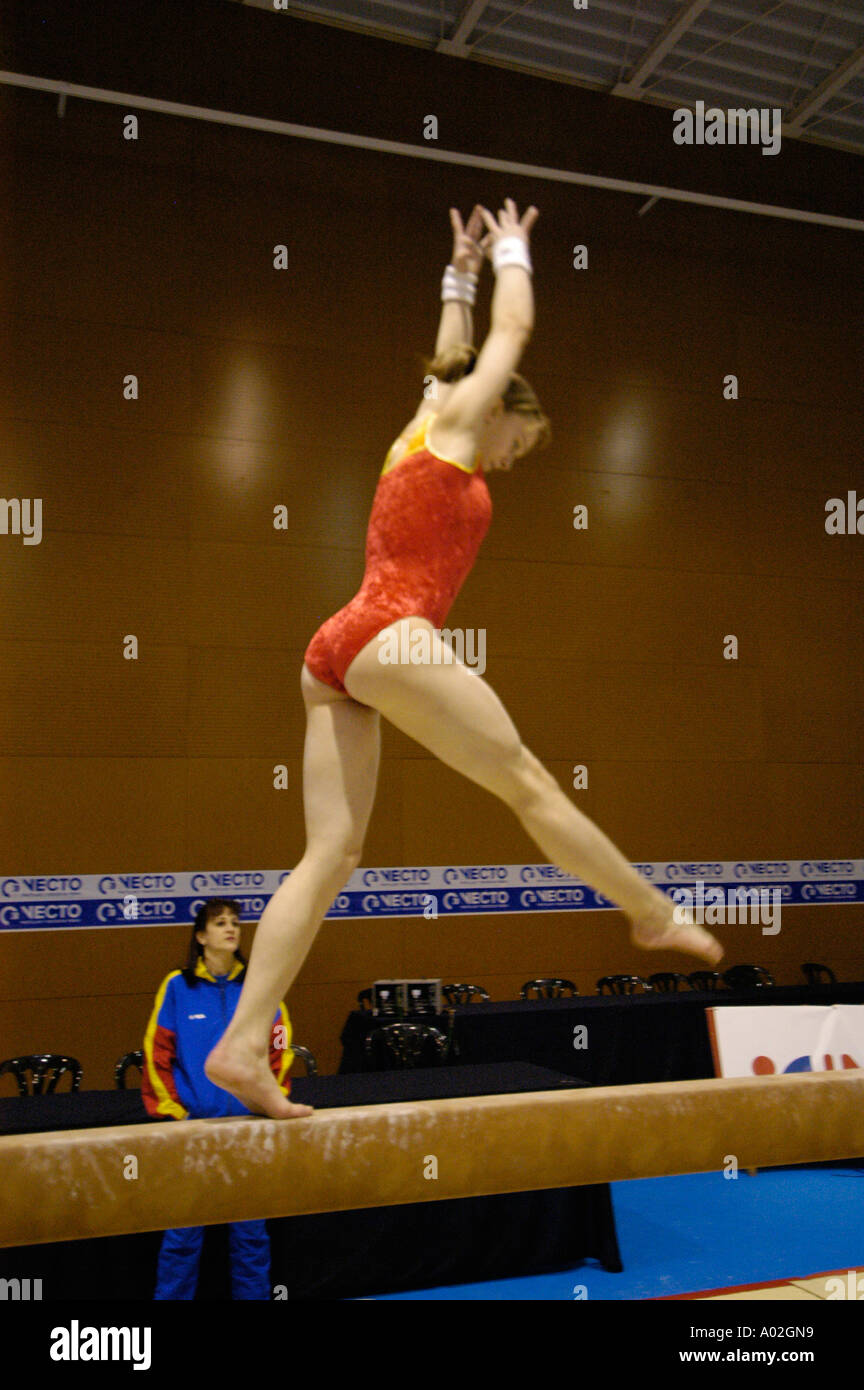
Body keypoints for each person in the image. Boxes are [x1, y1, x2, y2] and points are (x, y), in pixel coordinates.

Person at [206, 198, 723, 1119]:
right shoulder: (459, 427)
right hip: (391, 632)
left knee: (332, 851)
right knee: (527, 780)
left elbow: (450, 356)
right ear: (500, 413)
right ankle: (647, 910)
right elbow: (508, 335)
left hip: (335, 648)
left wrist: (460, 272)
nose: (514, 460)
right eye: (519, 442)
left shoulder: (424, 420)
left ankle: (243, 1047)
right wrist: (517, 250)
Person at [142, 897, 297, 1296]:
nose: (231, 929)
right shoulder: (176, 987)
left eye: (235, 923)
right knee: (182, 1239)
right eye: (219, 923)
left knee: (251, 1237)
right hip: (194, 1129)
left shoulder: (260, 987)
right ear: (200, 936)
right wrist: (176, 1117)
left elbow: (280, 1046)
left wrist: (268, 1103)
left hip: (246, 1128)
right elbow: (156, 1054)